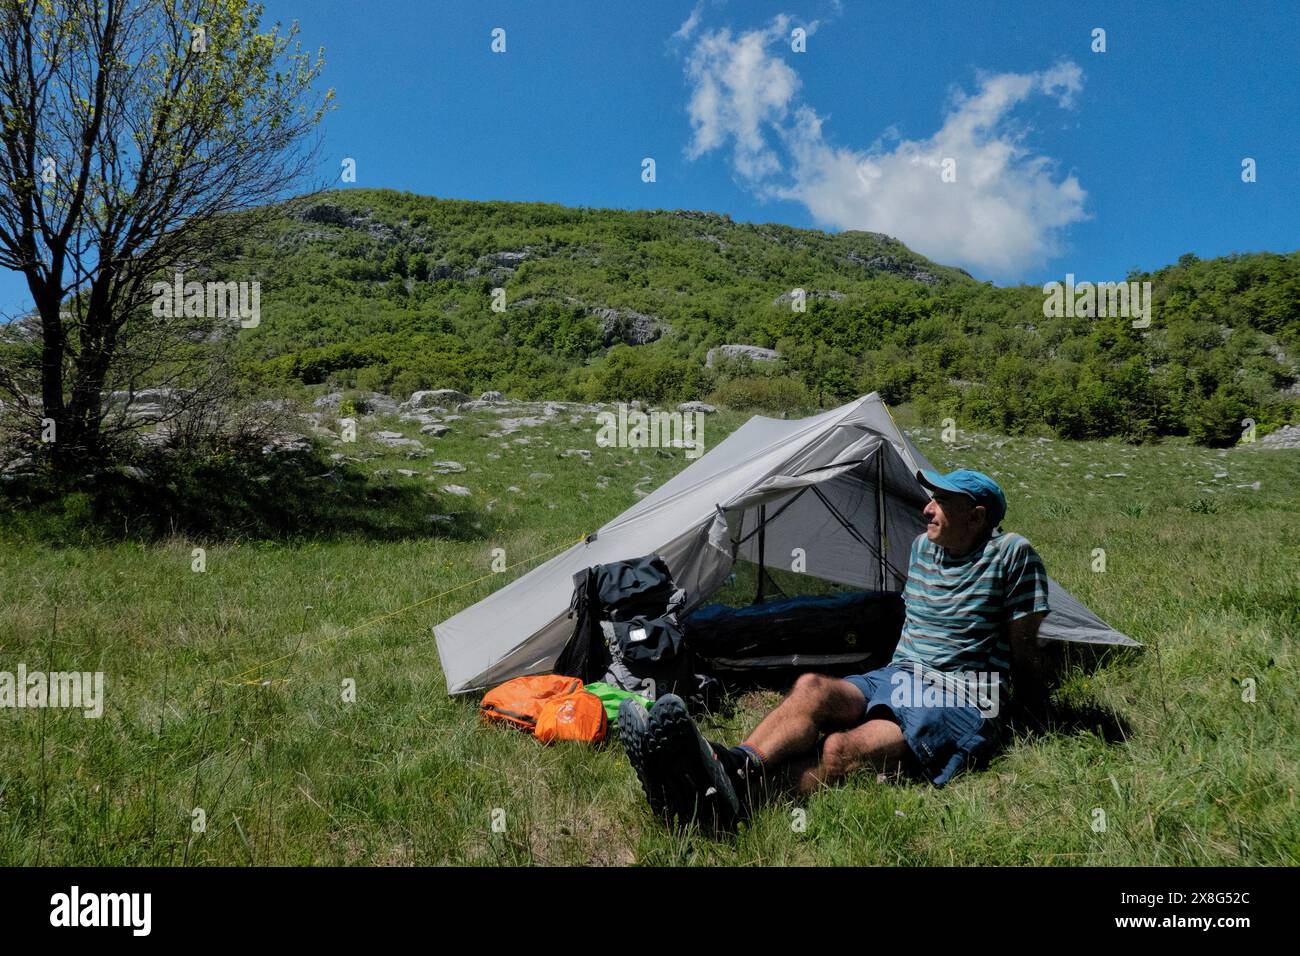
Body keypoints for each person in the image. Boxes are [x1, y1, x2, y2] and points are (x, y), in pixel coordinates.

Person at [618, 468, 1053, 834]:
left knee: (838, 751)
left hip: (957, 696)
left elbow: (1025, 645)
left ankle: (727, 803)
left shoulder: (1012, 555)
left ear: (977, 517)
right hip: (897, 674)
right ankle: (730, 765)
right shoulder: (924, 549)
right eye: (930, 498)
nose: (926, 508)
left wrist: (1033, 713)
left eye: (940, 501)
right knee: (812, 688)